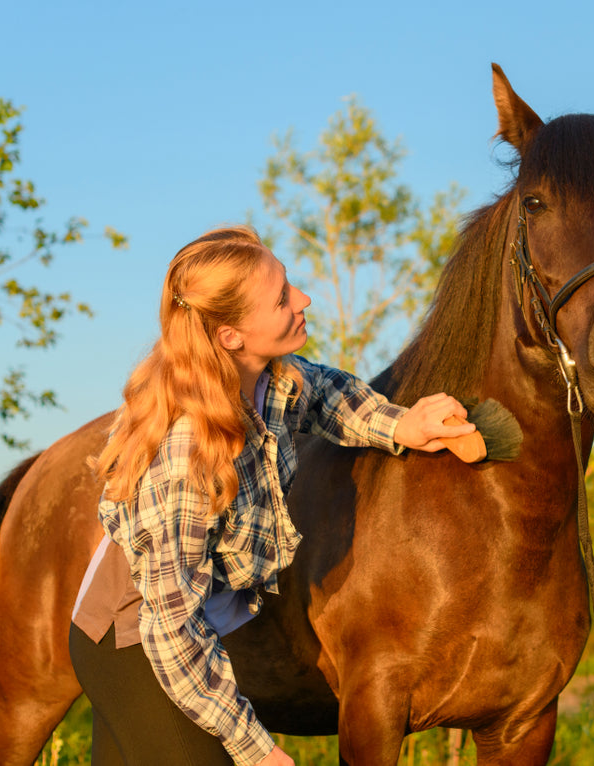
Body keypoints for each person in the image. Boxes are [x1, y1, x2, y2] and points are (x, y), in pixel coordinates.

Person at [68, 226, 475, 766]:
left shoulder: (269, 380)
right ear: (232, 335)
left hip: (180, 628)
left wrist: (404, 426)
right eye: (283, 297)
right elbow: (170, 630)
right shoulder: (189, 453)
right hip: (134, 643)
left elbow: (326, 394)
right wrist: (254, 748)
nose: (303, 299)